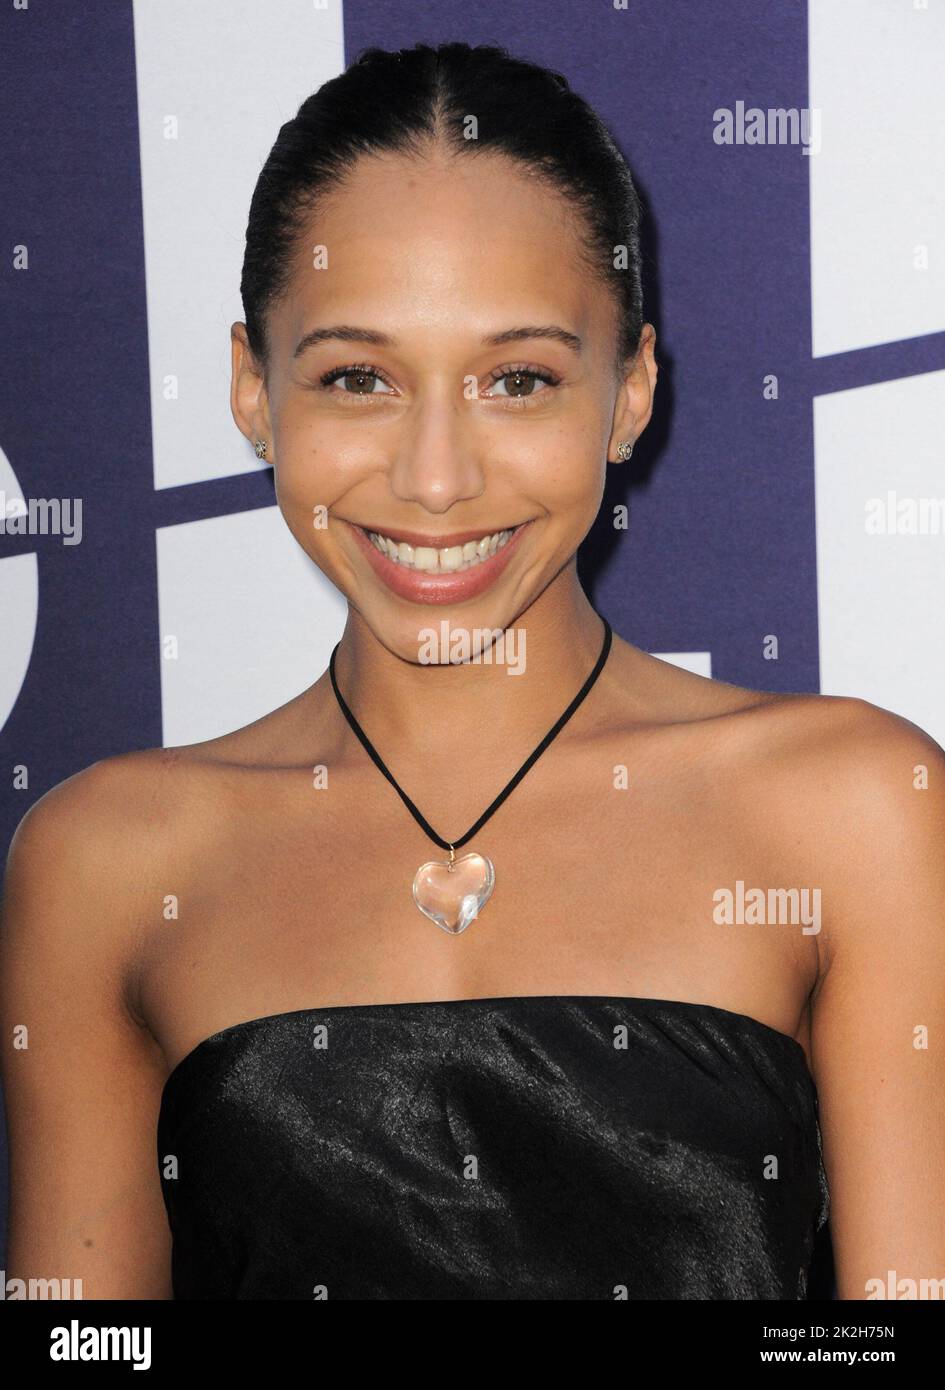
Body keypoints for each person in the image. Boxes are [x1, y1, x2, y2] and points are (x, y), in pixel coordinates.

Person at [2, 41, 943, 1302]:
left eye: (518, 380)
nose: (435, 478)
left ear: (629, 391)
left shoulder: (859, 809)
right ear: (251, 389)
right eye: (357, 378)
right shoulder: (104, 859)